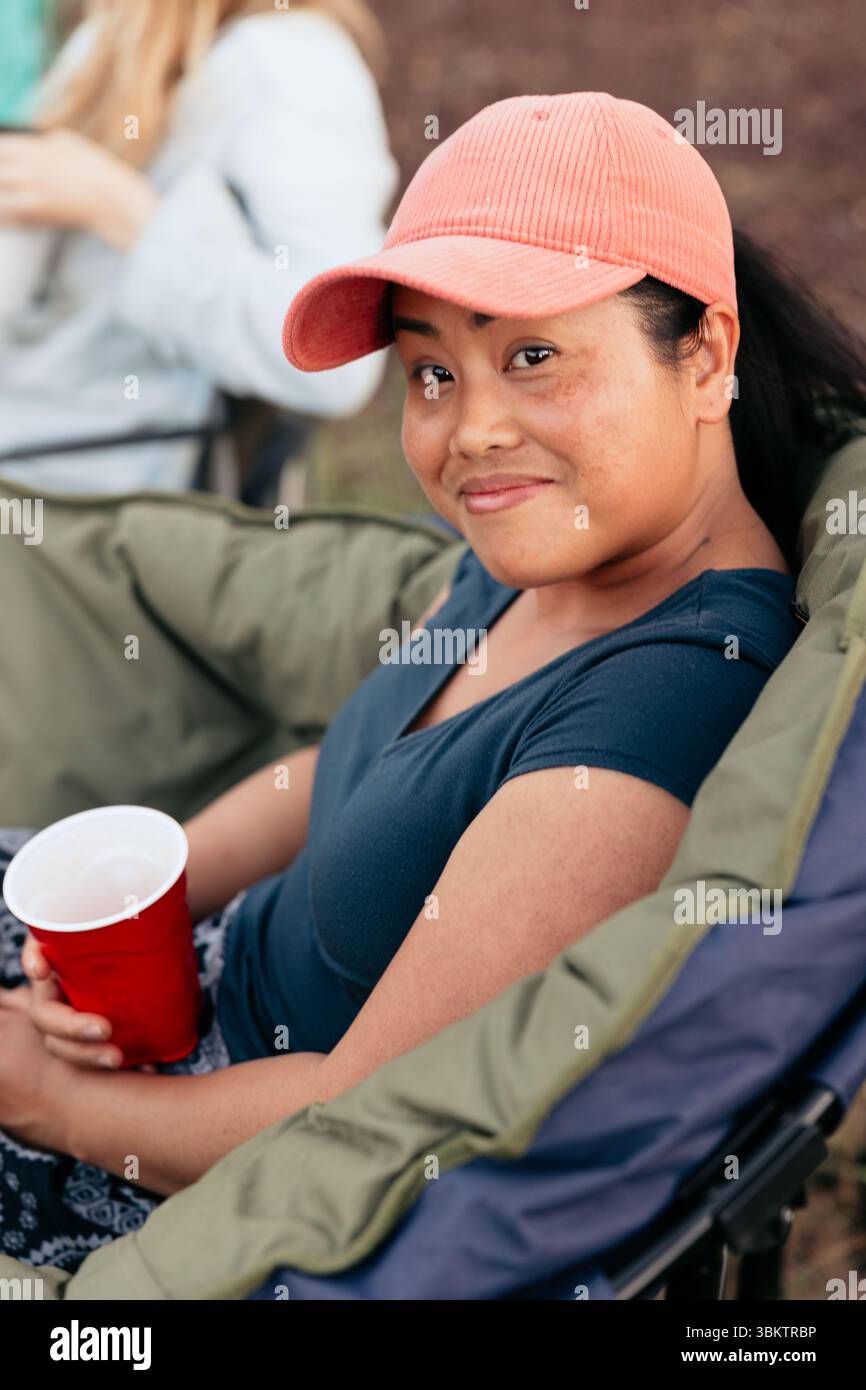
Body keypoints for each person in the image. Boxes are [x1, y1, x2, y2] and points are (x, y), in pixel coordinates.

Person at [1, 91, 865, 1275]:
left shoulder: (662, 702)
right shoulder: (542, 562)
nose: (470, 430)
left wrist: (46, 1104)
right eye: (429, 372)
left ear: (704, 355)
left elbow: (353, 1123)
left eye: (531, 354)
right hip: (160, 1004)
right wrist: (152, 893)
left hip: (185, 1158)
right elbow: (353, 768)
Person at [0, 0, 397, 493]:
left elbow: (338, 361)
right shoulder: (110, 35)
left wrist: (121, 210)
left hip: (95, 495)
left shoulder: (289, 65)